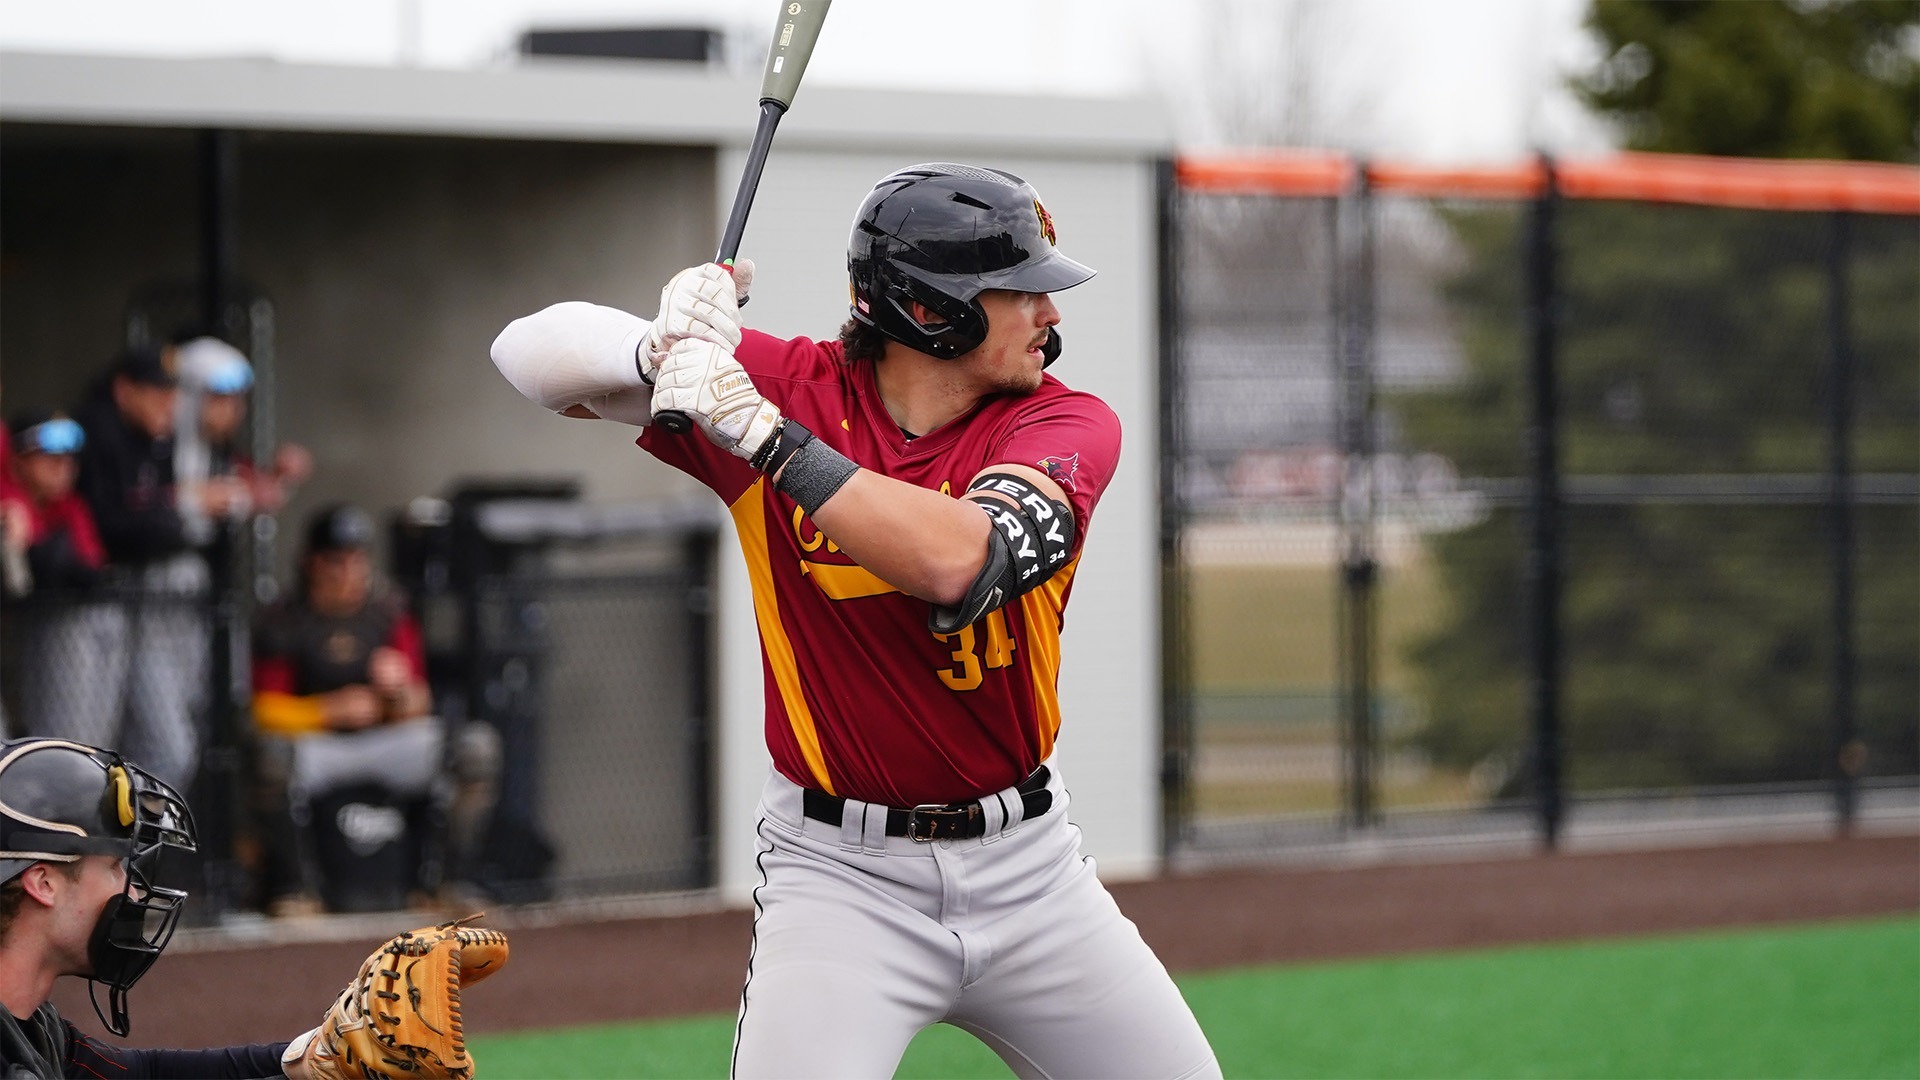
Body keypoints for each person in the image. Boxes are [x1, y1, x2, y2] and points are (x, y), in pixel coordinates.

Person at [491, 163, 1220, 1077]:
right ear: (929, 310)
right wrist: (659, 348)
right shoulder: (793, 386)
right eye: (1021, 291)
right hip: (840, 879)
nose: (1051, 315)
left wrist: (761, 437)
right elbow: (524, 352)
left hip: (1032, 873)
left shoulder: (1065, 421)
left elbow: (960, 559)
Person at [0, 736, 507, 1079]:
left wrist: (310, 1057)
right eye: (113, 867)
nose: (132, 891)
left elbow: (140, 1073)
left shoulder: (30, 1026)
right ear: (43, 882)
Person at [250, 504, 499, 916]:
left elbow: (421, 703)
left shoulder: (387, 612)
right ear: (312, 562)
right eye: (335, 561)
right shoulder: (285, 618)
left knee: (475, 748)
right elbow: (262, 710)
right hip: (320, 747)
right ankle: (296, 892)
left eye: (355, 560)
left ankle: (449, 885)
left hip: (383, 740)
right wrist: (326, 711)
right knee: (268, 758)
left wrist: (398, 692)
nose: (346, 573)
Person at [71, 345, 240, 792]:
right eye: (157, 393)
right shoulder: (94, 431)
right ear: (125, 390)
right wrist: (178, 505)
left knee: (151, 747)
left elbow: (152, 523)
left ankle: (129, 858)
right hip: (78, 604)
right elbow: (112, 526)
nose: (169, 405)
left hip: (127, 604)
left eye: (173, 394)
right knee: (80, 750)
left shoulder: (152, 438)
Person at [1, 411, 114, 744]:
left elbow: (92, 569)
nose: (63, 466)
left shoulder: (70, 508)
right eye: (48, 457)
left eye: (67, 458)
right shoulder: (9, 499)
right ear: (18, 461)